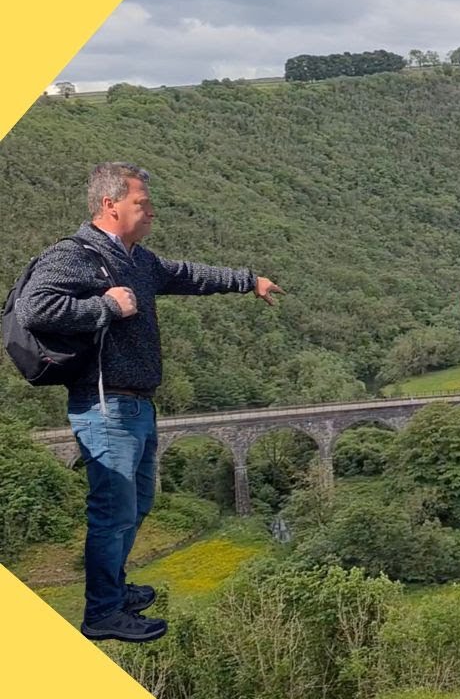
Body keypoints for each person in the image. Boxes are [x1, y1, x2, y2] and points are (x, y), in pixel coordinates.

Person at [15, 162, 284, 643]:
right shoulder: (76, 254)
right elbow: (36, 306)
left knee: (137, 504)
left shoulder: (136, 258)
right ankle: (101, 614)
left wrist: (248, 280)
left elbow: (186, 275)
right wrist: (107, 307)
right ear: (109, 204)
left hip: (138, 402)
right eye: (142, 203)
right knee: (112, 511)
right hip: (104, 404)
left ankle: (114, 591)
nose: (151, 212)